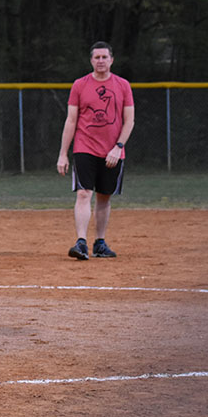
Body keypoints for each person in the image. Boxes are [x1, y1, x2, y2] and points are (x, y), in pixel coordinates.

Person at [56, 41, 135, 260]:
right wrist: (63, 153)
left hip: (112, 150)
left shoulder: (122, 85)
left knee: (104, 197)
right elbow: (71, 120)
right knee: (83, 193)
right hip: (85, 146)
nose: (100, 61)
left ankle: (99, 243)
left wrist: (118, 147)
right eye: (97, 57)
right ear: (91, 60)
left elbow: (129, 120)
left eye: (104, 57)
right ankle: (80, 243)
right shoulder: (80, 85)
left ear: (112, 60)